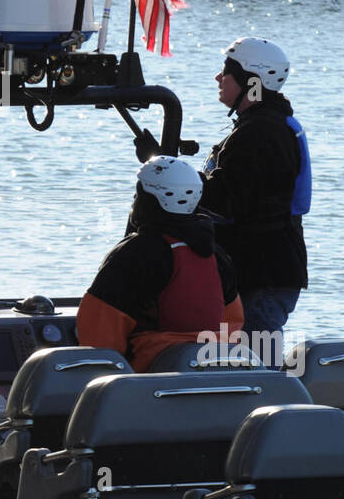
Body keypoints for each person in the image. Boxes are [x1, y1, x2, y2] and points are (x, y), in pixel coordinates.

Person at [77, 156, 244, 372]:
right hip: (210, 372)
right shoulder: (217, 255)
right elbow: (233, 325)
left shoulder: (133, 255)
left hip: (148, 378)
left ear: (150, 200)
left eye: (138, 194)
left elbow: (99, 334)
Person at [199, 37, 311, 344]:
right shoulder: (264, 124)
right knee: (242, 366)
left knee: (254, 370)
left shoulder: (261, 133)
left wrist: (180, 182)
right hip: (264, 272)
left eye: (226, 72)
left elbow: (225, 200)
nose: (218, 78)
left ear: (251, 82)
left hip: (262, 275)